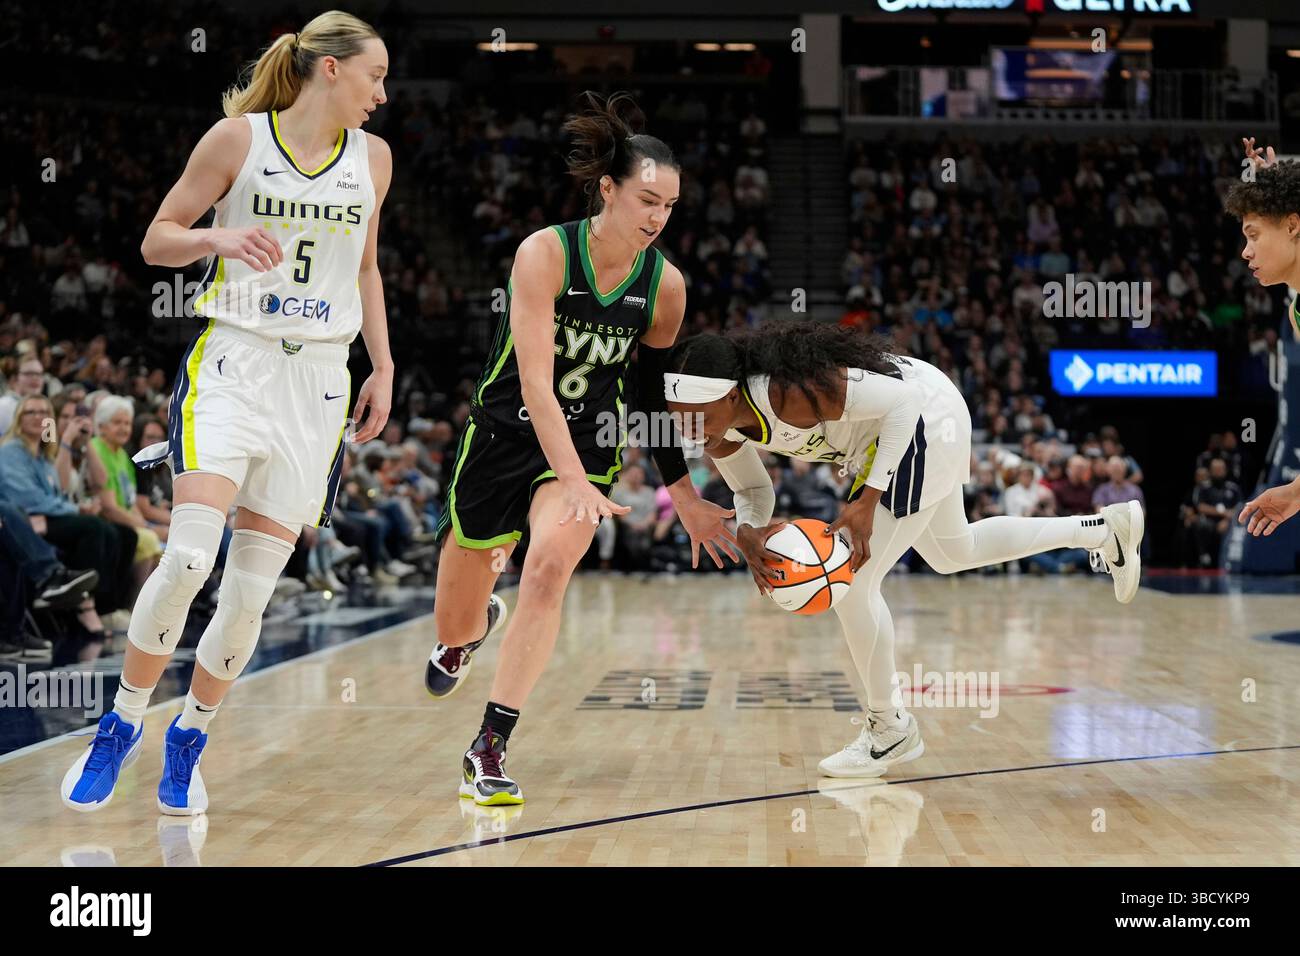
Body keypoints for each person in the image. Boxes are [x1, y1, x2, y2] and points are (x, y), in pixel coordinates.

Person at [61, 11, 394, 815]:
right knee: (186, 558)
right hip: (235, 362)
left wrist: (381, 363)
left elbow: (369, 269)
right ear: (329, 70)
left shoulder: (374, 160)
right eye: (374, 76)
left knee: (248, 596)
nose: (383, 94)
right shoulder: (236, 140)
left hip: (318, 382)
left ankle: (190, 738)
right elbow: (156, 240)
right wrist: (219, 240)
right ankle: (122, 724)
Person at [424, 91, 736, 806]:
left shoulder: (666, 287)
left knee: (547, 572)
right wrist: (567, 472)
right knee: (455, 617)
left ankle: (489, 745)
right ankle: (467, 634)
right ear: (608, 190)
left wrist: (681, 494)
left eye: (669, 207)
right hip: (504, 435)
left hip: (590, 443)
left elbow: (652, 394)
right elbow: (534, 382)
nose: (658, 218)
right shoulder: (544, 253)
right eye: (646, 201)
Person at [664, 321, 1144, 778]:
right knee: (954, 551)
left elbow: (904, 404)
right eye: (677, 418)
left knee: (854, 584)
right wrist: (749, 528)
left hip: (921, 416)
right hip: (908, 422)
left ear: (730, 395)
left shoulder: (783, 393)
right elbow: (753, 490)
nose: (687, 429)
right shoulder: (717, 427)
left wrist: (868, 498)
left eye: (695, 417)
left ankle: (890, 728)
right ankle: (1103, 530)